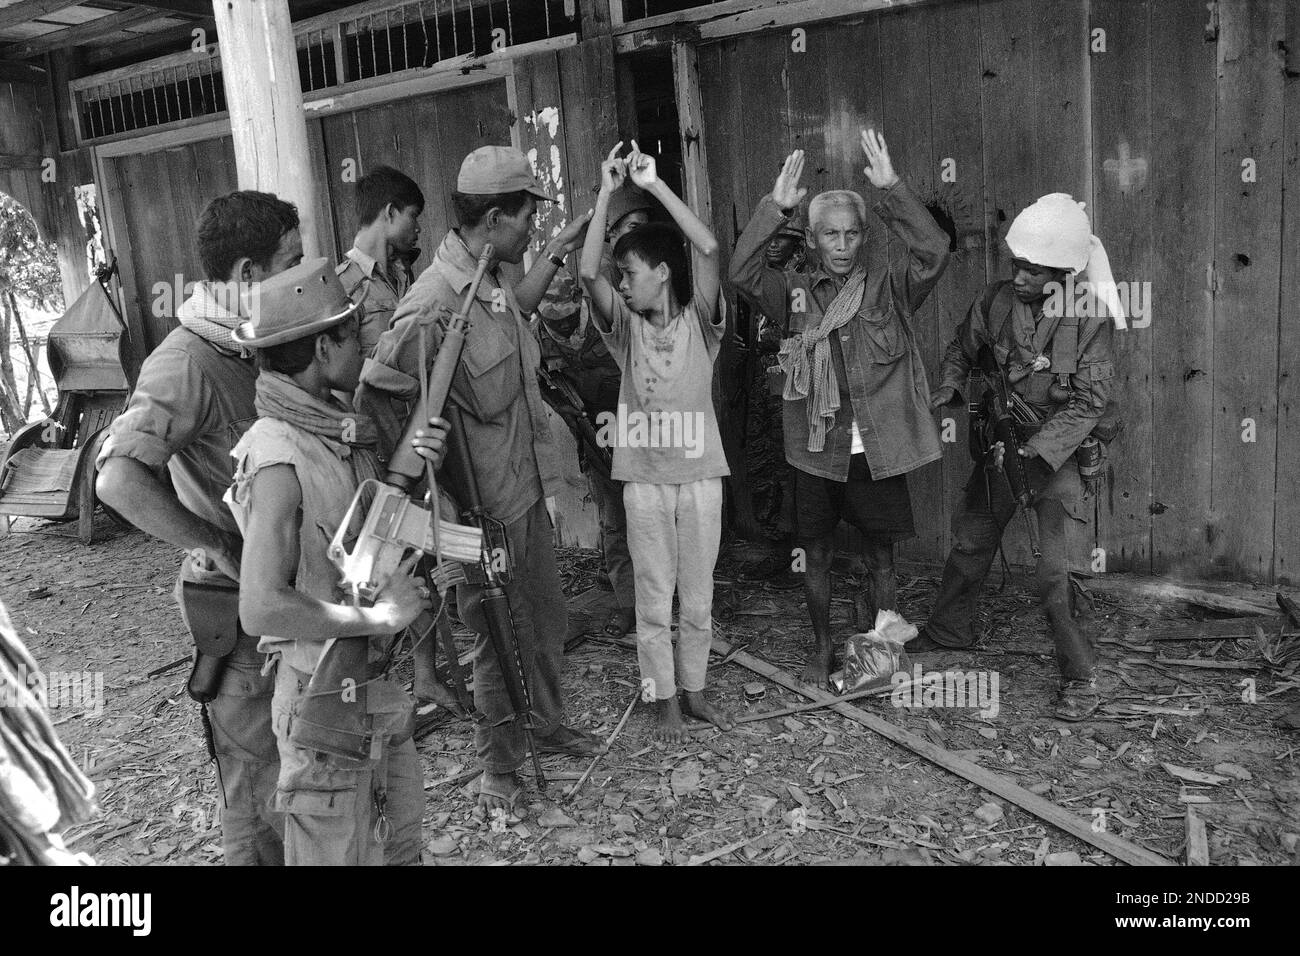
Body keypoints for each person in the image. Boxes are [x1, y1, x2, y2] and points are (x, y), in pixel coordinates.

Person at [355, 145, 601, 812]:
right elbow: (377, 394)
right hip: (478, 514)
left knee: (545, 622)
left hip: (520, 490)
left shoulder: (487, 276)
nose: (531, 229)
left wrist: (553, 254)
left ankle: (545, 725)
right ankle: (500, 771)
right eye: (527, 218)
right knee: (498, 639)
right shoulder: (434, 304)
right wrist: (437, 492)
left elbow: (510, 314)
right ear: (493, 218)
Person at [96, 190, 302, 866]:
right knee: (255, 781)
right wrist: (213, 542)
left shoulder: (249, 345)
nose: (300, 275)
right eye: (290, 263)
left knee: (292, 772)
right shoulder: (186, 362)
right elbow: (118, 479)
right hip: (239, 613)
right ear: (247, 276)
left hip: (281, 602)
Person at [225, 257, 446, 865]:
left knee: (400, 849)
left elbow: (359, 548)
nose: (365, 345)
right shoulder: (277, 454)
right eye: (354, 334)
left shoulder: (337, 433)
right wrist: (377, 620)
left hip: (369, 683)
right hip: (320, 698)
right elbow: (261, 605)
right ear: (324, 348)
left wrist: (420, 471)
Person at [728, 133, 950, 687]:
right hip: (815, 450)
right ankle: (823, 647)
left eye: (852, 233)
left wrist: (892, 189)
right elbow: (741, 274)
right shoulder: (796, 293)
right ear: (812, 237)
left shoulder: (888, 287)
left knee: (882, 560)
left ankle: (880, 653)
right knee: (818, 556)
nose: (843, 244)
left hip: (873, 451)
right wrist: (774, 208)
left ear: (865, 236)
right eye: (831, 233)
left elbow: (934, 251)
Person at [918, 193, 1121, 722]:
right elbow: (961, 350)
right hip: (1000, 444)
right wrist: (949, 386)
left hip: (1058, 454)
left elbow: (1090, 402)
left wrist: (1040, 452)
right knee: (971, 541)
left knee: (1055, 572)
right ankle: (948, 633)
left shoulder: (1090, 315)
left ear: (1061, 272)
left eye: (1033, 270)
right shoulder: (996, 302)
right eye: (1016, 265)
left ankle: (1081, 678)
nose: (1020, 276)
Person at [579, 141, 734, 742]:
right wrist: (606, 192)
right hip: (643, 480)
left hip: (699, 478)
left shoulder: (702, 323)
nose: (622, 283)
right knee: (652, 601)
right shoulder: (624, 331)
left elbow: (710, 247)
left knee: (698, 599)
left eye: (632, 273)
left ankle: (692, 693)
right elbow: (589, 270)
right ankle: (659, 698)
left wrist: (655, 183)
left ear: (663, 272)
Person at [336, 165, 424, 355]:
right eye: (413, 215)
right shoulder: (344, 285)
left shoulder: (403, 274)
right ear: (390, 212)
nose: (418, 228)